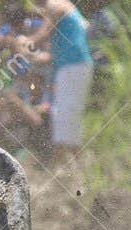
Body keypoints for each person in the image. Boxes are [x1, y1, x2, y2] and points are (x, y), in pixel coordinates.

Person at [30, 0, 91, 161]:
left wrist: (17, 42)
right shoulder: (59, 7)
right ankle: (75, 167)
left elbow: (40, 36)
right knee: (67, 117)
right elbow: (49, 56)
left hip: (73, 66)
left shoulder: (55, 5)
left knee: (64, 116)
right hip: (70, 66)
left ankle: (63, 167)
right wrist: (29, 54)